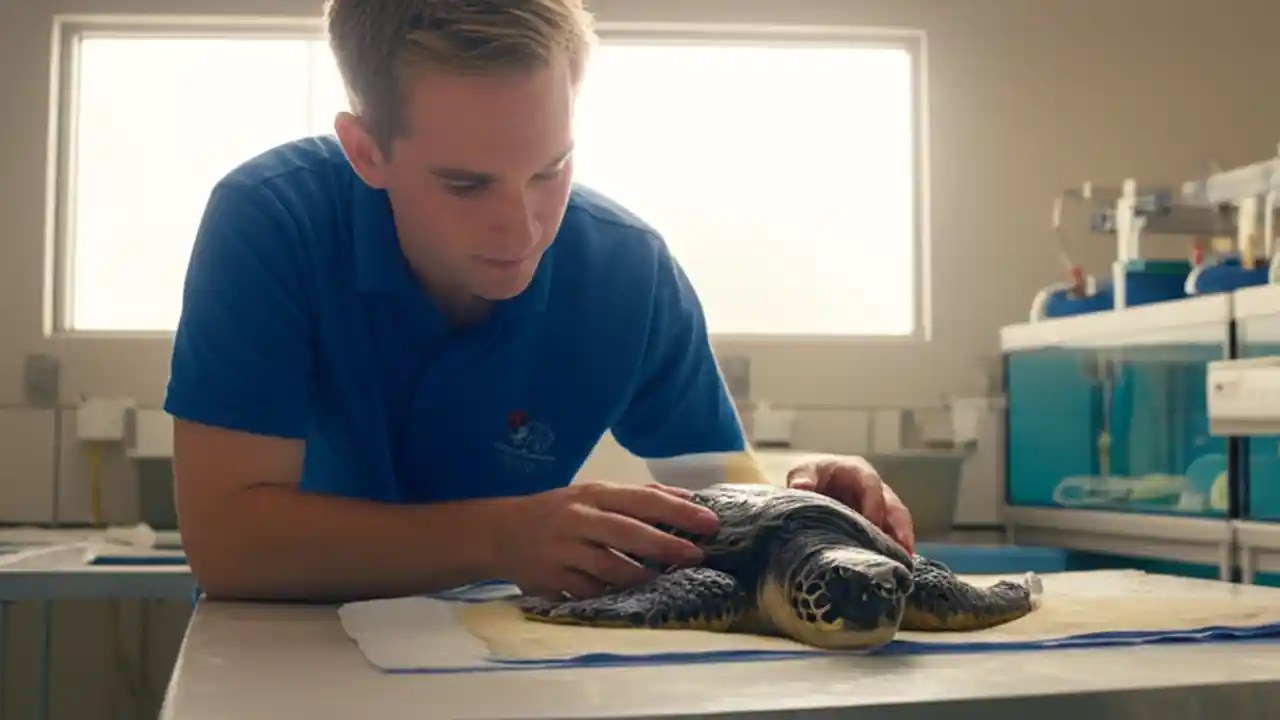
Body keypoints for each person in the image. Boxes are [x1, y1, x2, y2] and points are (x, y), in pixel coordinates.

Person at [164, 0, 915, 603]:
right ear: (367, 152)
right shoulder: (270, 221)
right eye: (466, 184)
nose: (522, 228)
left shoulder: (629, 269)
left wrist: (806, 506)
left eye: (550, 170)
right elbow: (230, 547)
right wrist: (501, 539)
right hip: (284, 660)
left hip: (513, 658)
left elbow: (713, 496)